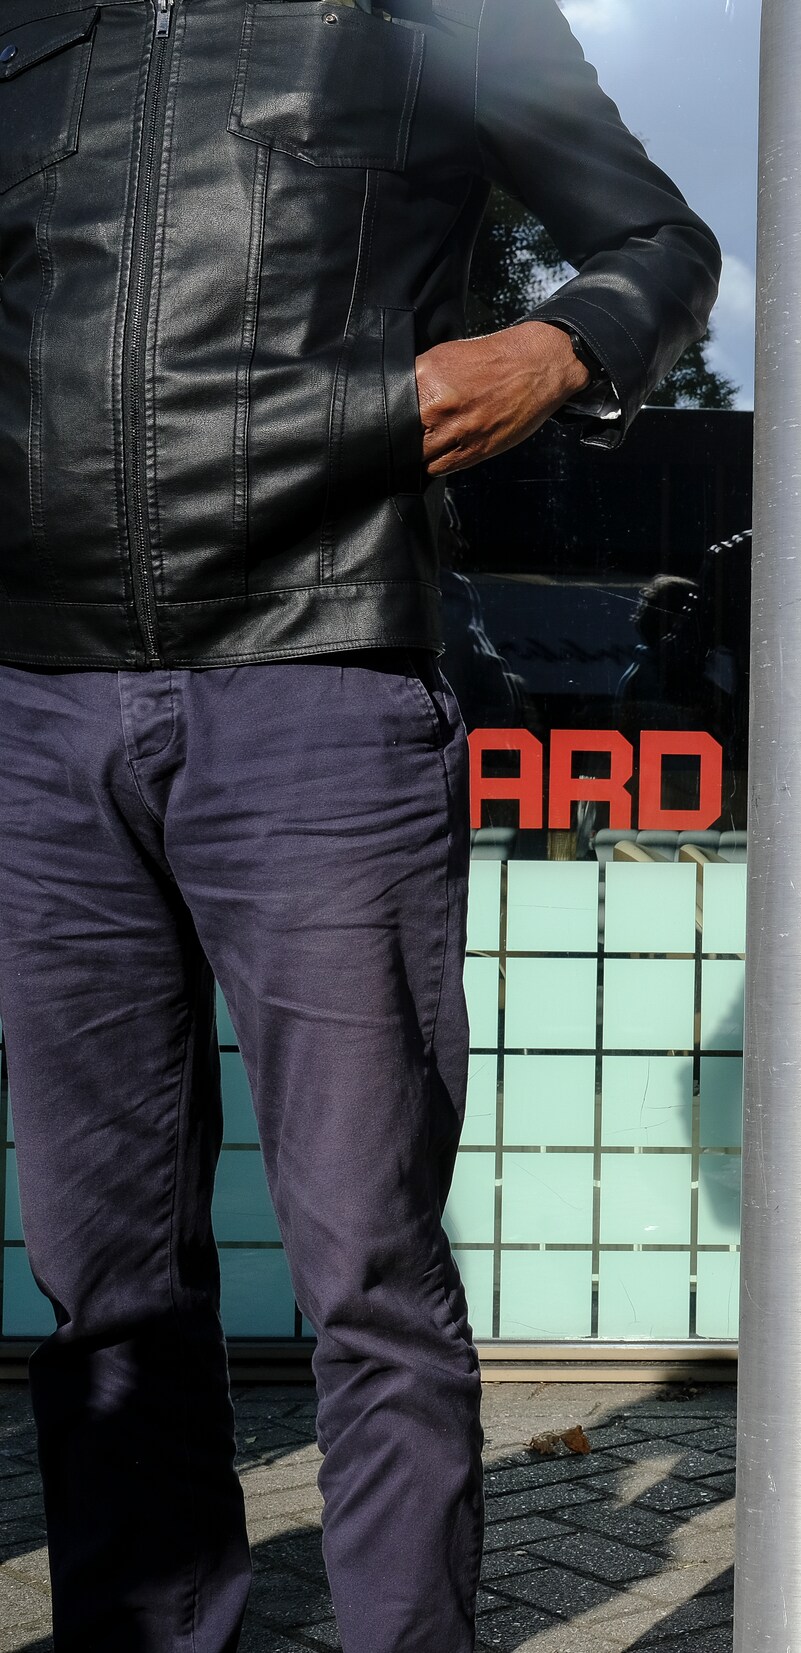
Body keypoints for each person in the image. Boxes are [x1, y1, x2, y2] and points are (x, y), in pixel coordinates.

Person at [0, 5, 718, 1648]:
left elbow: (659, 234)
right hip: (38, 696)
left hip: (317, 675)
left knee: (371, 1270)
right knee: (103, 1279)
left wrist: (558, 347)